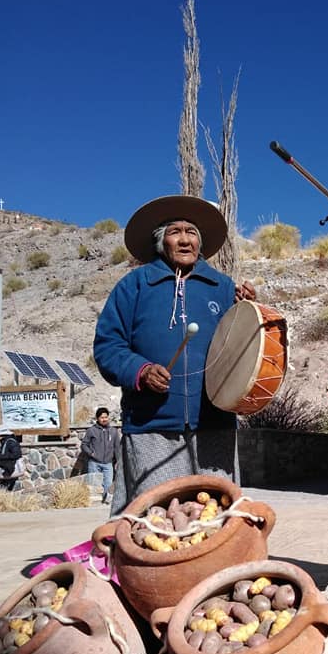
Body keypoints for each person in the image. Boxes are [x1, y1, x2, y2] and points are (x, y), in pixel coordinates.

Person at [94, 195, 255, 515]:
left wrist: (249, 311)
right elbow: (108, 346)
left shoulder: (222, 288)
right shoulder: (134, 286)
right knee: (153, 518)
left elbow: (242, 349)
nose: (185, 239)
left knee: (214, 518)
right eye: (175, 231)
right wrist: (140, 371)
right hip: (151, 426)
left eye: (191, 232)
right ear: (160, 242)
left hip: (213, 426)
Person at [80, 407, 121, 504]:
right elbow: (84, 444)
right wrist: (91, 453)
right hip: (94, 463)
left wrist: (118, 461)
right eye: (102, 417)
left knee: (108, 484)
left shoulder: (113, 431)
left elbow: (117, 448)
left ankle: (106, 503)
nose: (104, 419)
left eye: (106, 417)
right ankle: (95, 503)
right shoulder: (91, 430)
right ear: (97, 418)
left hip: (108, 463)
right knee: (94, 485)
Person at [0, 427, 23, 491]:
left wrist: (1, 456)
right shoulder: (5, 442)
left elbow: (17, 454)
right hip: (7, 468)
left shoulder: (11, 442)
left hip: (10, 468)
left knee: (7, 488)